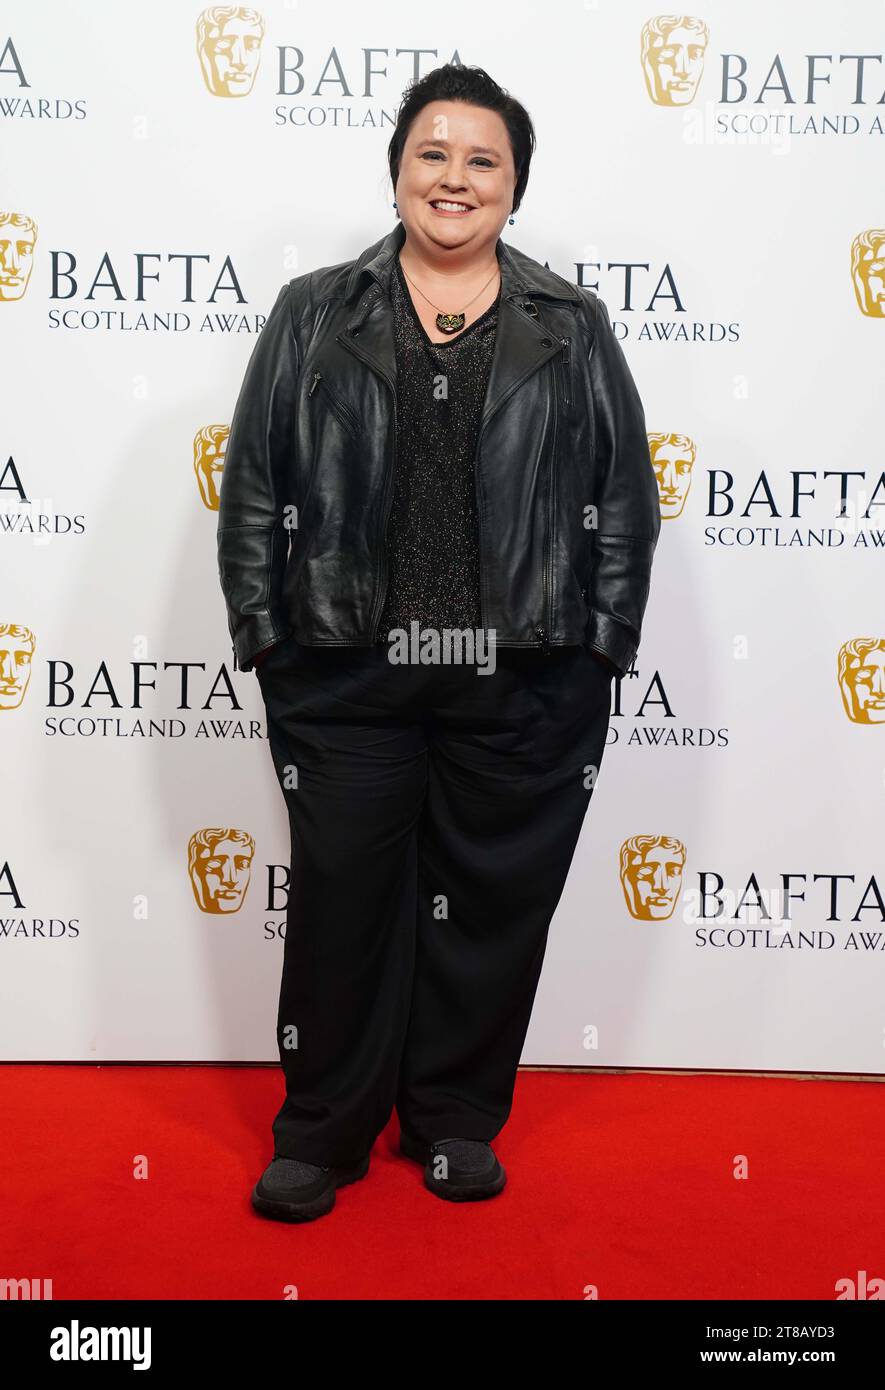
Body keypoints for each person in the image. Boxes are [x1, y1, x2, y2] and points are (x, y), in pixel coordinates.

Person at [216, 63, 661, 1222]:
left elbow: (627, 495)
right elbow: (255, 481)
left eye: (482, 160)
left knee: (492, 906)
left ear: (514, 187)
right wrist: (268, 634)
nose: (454, 178)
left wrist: (602, 644)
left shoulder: (569, 322)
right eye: (434, 153)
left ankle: (456, 1119)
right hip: (349, 668)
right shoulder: (315, 311)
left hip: (523, 674)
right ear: (397, 168)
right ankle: (321, 1129)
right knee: (342, 905)